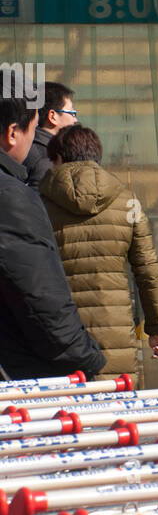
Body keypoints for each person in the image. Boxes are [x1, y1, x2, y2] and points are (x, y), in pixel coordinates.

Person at [40, 124, 158, 385]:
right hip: (115, 337)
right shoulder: (128, 201)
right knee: (116, 418)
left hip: (59, 334)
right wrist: (156, 328)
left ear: (60, 159)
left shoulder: (39, 202)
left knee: (62, 418)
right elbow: (147, 270)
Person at [0, 97, 106, 381]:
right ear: (12, 133)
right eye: (34, 130)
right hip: (29, 370)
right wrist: (88, 357)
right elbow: (39, 298)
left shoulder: (36, 194)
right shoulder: (12, 198)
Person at [24, 80, 77, 190]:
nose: (75, 120)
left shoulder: (28, 146)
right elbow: (39, 203)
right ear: (53, 116)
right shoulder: (47, 158)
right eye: (72, 113)